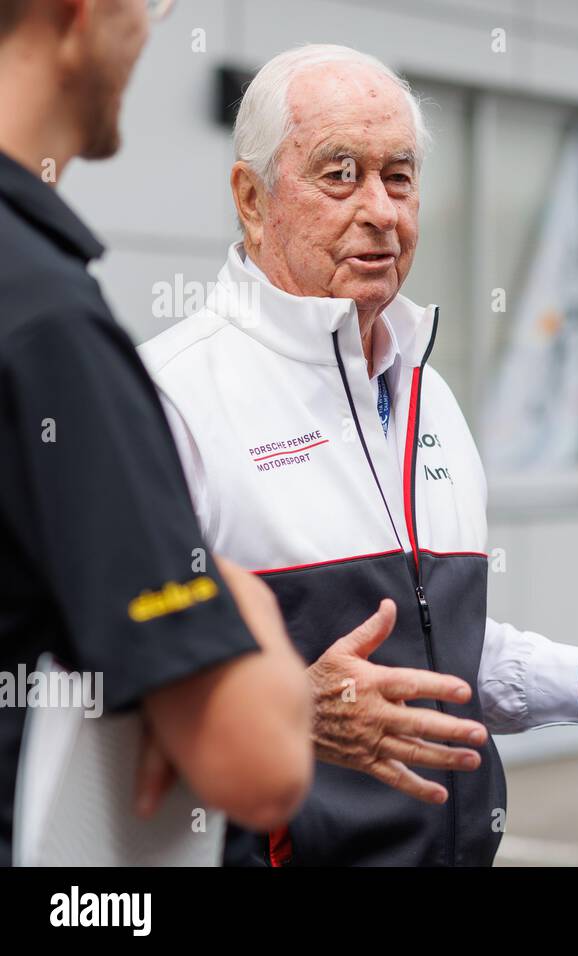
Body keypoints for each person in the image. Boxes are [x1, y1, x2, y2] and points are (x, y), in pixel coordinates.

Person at [137, 43, 578, 866]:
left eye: (400, 176)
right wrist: (292, 705)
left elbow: (443, 650)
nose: (381, 211)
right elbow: (98, 679)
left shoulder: (428, 395)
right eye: (339, 173)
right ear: (252, 199)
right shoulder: (168, 397)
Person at [0, 0, 316, 864]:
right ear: (80, 13)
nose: (150, 30)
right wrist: (235, 598)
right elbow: (257, 764)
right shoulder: (47, 323)